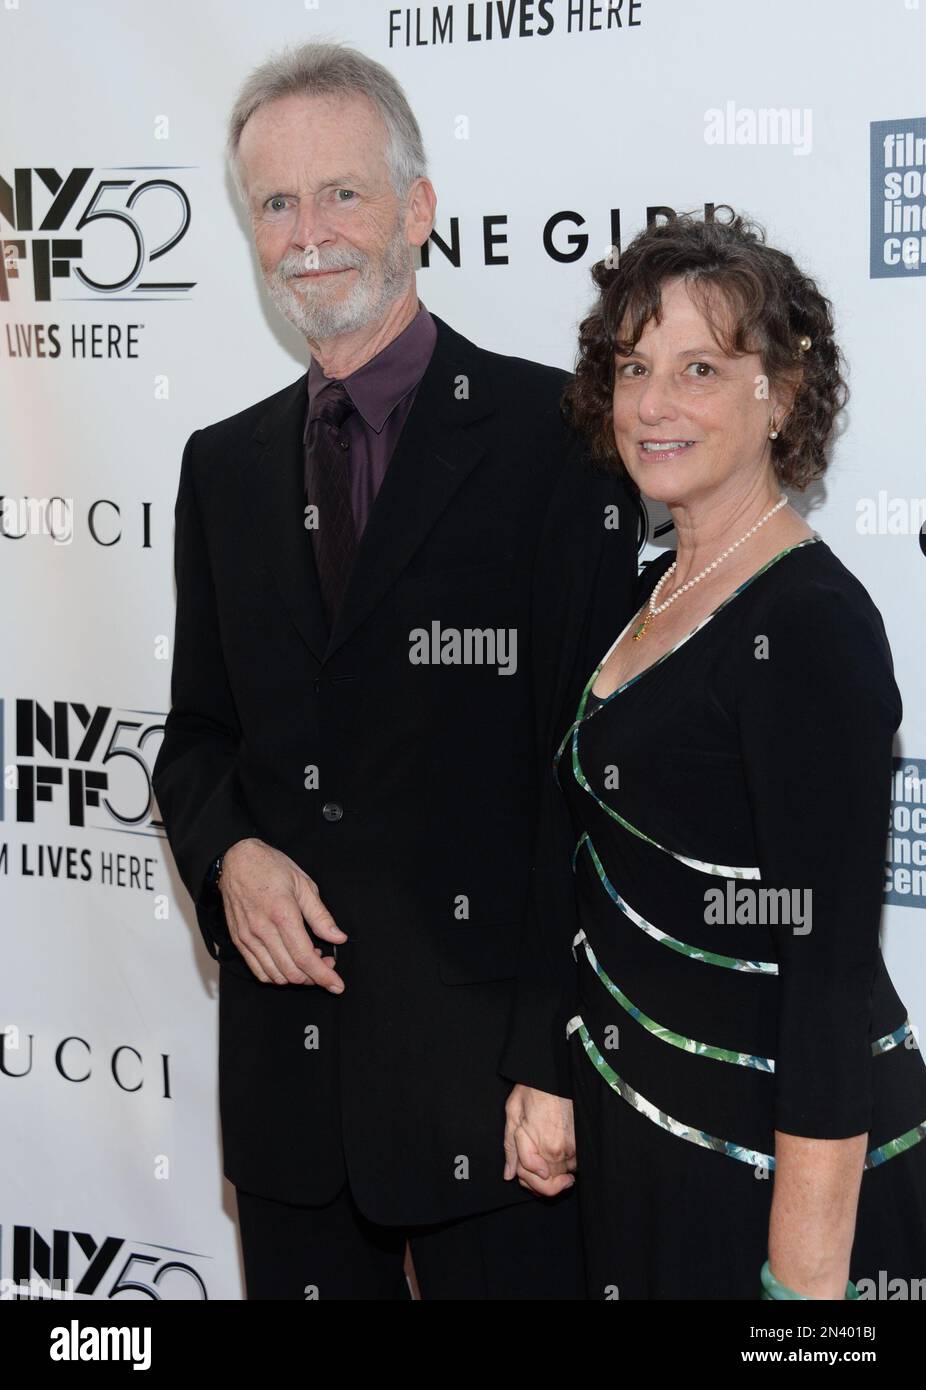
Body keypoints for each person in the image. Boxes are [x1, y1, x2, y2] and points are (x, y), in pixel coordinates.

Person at [151, 40, 636, 1299]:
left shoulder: (556, 444)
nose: (308, 233)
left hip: (497, 1099)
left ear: (417, 209)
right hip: (290, 1092)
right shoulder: (223, 467)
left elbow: (590, 785)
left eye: (341, 194)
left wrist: (553, 1056)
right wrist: (228, 856)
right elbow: (196, 733)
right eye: (274, 203)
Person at [508, 208, 926, 1298]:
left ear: (778, 396)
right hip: (647, 1143)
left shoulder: (811, 626)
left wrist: (799, 1287)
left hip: (773, 1174)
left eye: (698, 367)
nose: (652, 403)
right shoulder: (658, 589)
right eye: (633, 366)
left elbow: (825, 973)